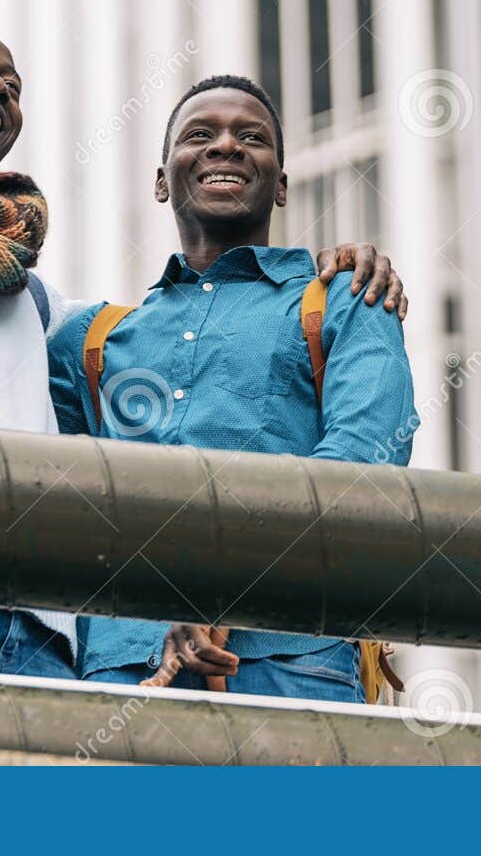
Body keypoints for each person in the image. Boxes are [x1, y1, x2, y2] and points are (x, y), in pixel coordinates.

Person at [0, 26, 404, 681]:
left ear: (283, 184)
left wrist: (346, 266)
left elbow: (346, 452)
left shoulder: (35, 303)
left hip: (42, 638)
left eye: (12, 82)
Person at [50, 74, 419, 702]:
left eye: (252, 137)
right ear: (162, 180)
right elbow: (54, 510)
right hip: (117, 672)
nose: (226, 146)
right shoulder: (88, 340)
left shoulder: (348, 301)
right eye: (200, 135)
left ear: (280, 185)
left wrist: (219, 592)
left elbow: (362, 469)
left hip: (293, 662)